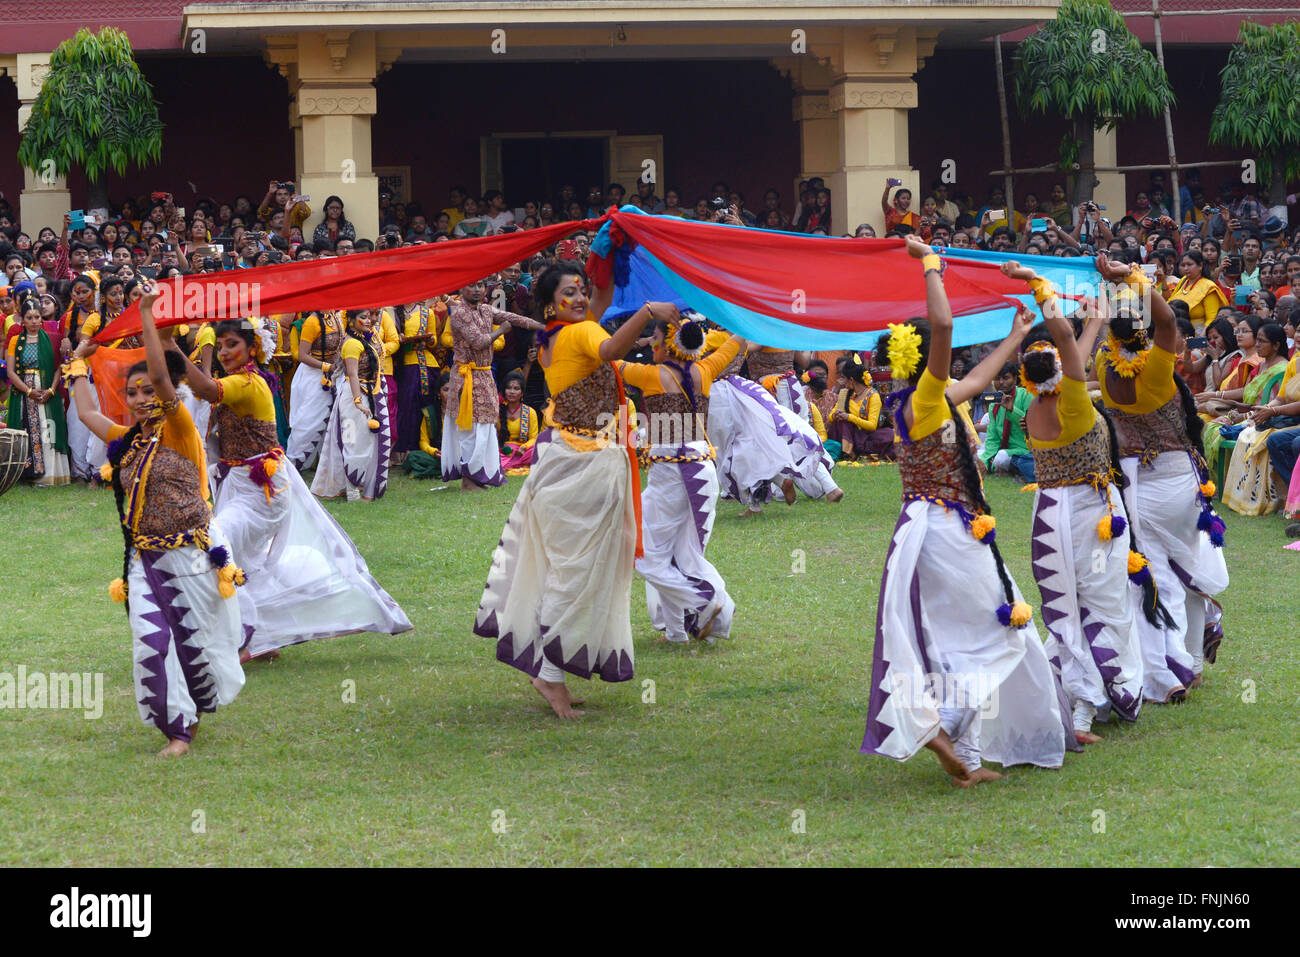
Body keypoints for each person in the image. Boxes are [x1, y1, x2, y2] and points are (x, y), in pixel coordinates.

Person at [860, 236, 1072, 786]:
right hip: (949, 527)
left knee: (964, 631)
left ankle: (966, 755)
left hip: (927, 528)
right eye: (942, 355)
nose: (950, 360)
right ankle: (941, 724)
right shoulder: (929, 396)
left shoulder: (919, 398)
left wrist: (1016, 336)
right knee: (1000, 628)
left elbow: (976, 381)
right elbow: (947, 329)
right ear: (930, 356)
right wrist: (931, 265)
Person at [474, 265, 662, 718]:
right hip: (583, 466)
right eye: (569, 293)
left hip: (566, 458)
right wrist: (650, 311)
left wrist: (609, 254)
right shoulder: (581, 335)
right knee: (574, 573)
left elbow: (597, 311)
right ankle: (550, 677)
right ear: (549, 304)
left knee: (566, 568)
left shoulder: (557, 336)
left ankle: (549, 668)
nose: (580, 298)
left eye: (582, 291)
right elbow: (613, 345)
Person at [67, 291, 244, 757]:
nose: (142, 398)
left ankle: (192, 711)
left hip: (192, 556)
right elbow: (87, 413)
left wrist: (146, 315)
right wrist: (76, 364)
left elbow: (165, 374)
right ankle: (177, 732)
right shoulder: (128, 441)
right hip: (144, 557)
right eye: (133, 392)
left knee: (197, 645)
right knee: (151, 641)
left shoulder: (181, 428)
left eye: (149, 391)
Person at [172, 316, 412, 659]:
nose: (224, 352)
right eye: (220, 345)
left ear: (253, 348)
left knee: (216, 548)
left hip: (262, 492)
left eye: (232, 345)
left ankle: (244, 638)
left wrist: (169, 346)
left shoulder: (249, 383)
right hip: (239, 487)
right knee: (242, 561)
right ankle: (260, 639)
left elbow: (207, 389)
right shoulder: (237, 380)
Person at [1001, 262, 1155, 739]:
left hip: (1048, 511)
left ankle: (1077, 692)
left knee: (1065, 604)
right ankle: (1097, 696)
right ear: (1062, 372)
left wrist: (1097, 321)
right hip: (1090, 512)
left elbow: (1075, 348)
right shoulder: (1074, 401)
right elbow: (1068, 343)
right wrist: (1034, 281)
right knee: (1105, 599)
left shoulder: (1038, 411)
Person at [1090, 253, 1229, 701]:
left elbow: (1135, 326)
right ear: (1147, 338)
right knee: (1186, 567)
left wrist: (1110, 286)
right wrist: (1129, 275)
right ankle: (1187, 661)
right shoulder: (1155, 369)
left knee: (1154, 574)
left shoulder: (1103, 369)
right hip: (1174, 478)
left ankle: (1165, 669)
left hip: (1132, 480)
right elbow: (1168, 317)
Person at [616, 313, 745, 644]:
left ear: (666, 342)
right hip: (701, 473)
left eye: (654, 337)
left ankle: (704, 602)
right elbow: (737, 341)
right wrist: (747, 317)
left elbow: (607, 360)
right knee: (682, 553)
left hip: (675, 473)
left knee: (635, 546)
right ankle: (676, 632)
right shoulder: (705, 368)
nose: (651, 343)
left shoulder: (651, 375)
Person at [442, 280, 543, 489]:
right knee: (470, 428)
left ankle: (480, 475)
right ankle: (469, 481)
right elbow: (478, 342)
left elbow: (514, 318)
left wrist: (544, 326)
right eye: (472, 285)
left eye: (481, 285)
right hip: (466, 377)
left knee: (486, 426)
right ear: (462, 288)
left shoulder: (486, 310)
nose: (478, 289)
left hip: (485, 375)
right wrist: (501, 331)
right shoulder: (459, 313)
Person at [312, 309, 391, 502]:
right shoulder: (352, 344)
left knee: (376, 443)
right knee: (353, 442)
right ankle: (353, 491)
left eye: (370, 316)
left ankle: (369, 490)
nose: (368, 320)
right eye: (362, 317)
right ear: (351, 320)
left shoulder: (369, 339)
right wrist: (358, 402)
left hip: (373, 393)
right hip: (355, 397)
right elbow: (353, 375)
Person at [1221, 324, 1294, 514]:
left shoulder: (1284, 364)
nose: (1258, 345)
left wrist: (1272, 411)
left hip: (1291, 419)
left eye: (1262, 341)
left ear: (1277, 345)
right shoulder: (1295, 363)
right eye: (1299, 331)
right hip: (1280, 415)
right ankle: (1243, 495)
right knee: (1247, 434)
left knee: (1264, 439)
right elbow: (1281, 398)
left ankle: (1285, 499)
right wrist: (1268, 410)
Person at [5, 293, 69, 486]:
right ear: (22, 320)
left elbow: (58, 367)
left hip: (47, 391)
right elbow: (10, 372)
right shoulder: (16, 341)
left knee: (48, 428)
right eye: (29, 318)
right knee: (29, 430)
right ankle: (29, 475)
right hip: (25, 394)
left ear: (42, 318)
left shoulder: (52, 339)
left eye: (37, 317)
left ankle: (51, 474)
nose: (34, 321)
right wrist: (28, 391)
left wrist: (50, 390)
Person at [285, 308, 344, 470]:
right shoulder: (312, 322)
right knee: (308, 421)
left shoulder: (335, 316)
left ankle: (329, 468)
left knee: (336, 422)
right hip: (314, 376)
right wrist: (326, 366)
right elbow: (303, 356)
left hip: (334, 375)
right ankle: (292, 463)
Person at [826, 352, 894, 459]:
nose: (842, 381)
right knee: (842, 423)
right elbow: (830, 417)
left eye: (844, 378)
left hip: (866, 436)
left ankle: (852, 452)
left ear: (851, 380)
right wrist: (835, 415)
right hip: (847, 435)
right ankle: (847, 452)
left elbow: (872, 426)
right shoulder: (846, 393)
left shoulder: (873, 396)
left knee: (889, 436)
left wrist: (849, 417)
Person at [979, 361, 1034, 482]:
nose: (1001, 382)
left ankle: (1009, 467)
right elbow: (992, 438)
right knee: (978, 457)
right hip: (1003, 451)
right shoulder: (994, 404)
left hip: (1024, 450)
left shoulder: (1026, 395)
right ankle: (1003, 467)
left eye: (1005, 378)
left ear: (1015, 379)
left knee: (1001, 457)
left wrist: (1012, 409)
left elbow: (1031, 425)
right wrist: (987, 461)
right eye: (997, 379)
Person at [1167, 251, 1228, 334]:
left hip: (1198, 335)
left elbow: (1212, 319)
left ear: (1200, 266)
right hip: (1175, 332)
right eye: (1183, 265)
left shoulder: (1208, 287)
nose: (1186, 268)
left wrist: (1200, 340)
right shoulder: (1183, 281)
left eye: (1189, 264)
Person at [497, 369, 539, 471]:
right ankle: (511, 463)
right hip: (504, 451)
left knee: (539, 450)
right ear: (504, 391)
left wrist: (524, 447)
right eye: (508, 388)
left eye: (516, 389)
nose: (512, 392)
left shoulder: (530, 412)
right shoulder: (497, 411)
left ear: (522, 392)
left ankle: (513, 463)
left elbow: (534, 438)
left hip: (524, 451)